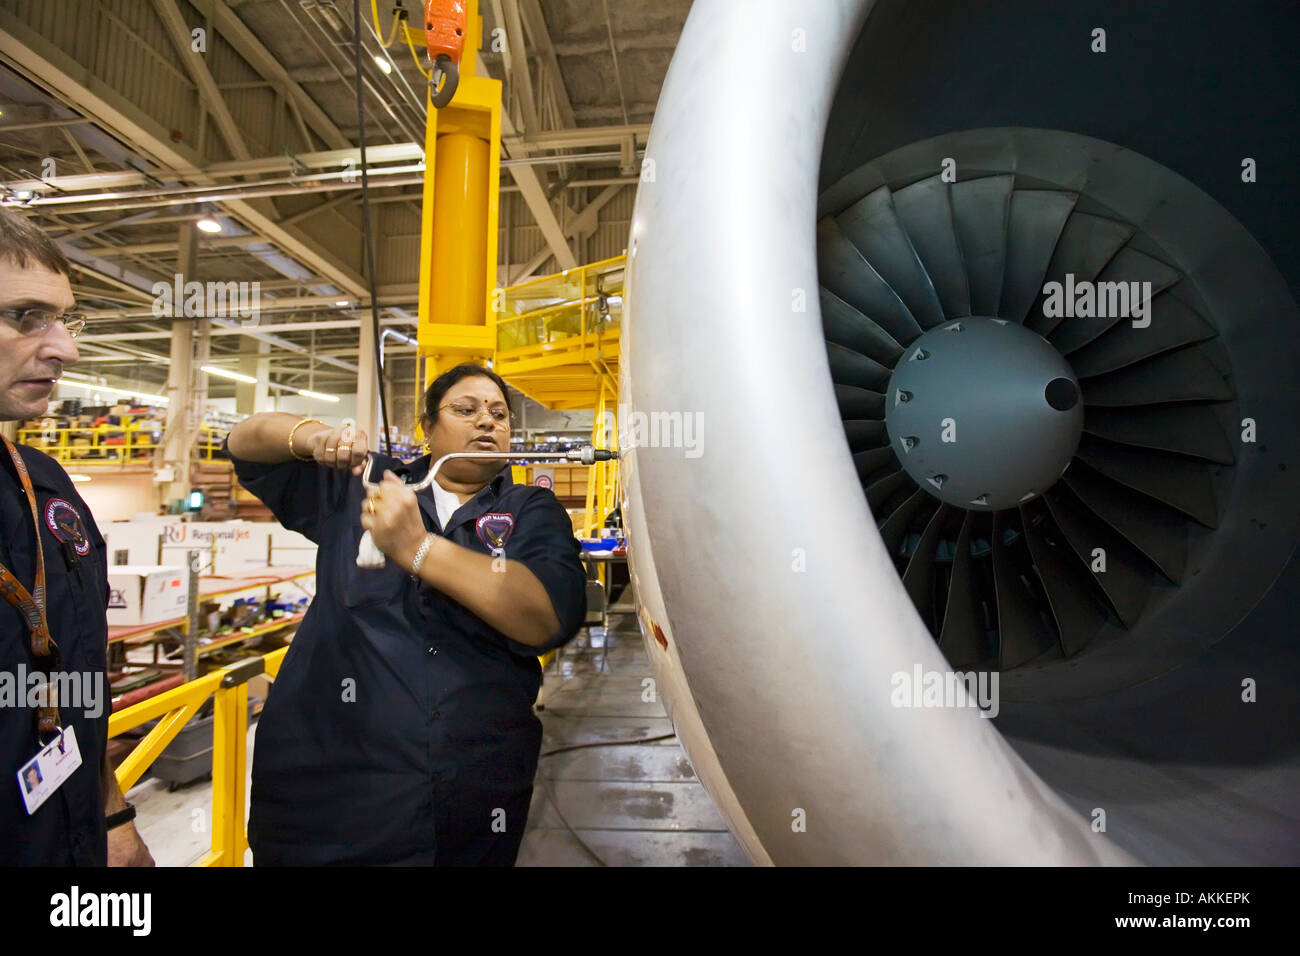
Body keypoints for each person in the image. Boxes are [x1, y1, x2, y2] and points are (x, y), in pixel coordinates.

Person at [226, 363, 586, 865]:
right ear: (427, 428)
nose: (487, 421)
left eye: (500, 414)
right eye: (466, 409)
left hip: (468, 800)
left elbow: (546, 617)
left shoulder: (532, 509)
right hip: (327, 800)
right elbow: (245, 440)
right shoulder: (364, 484)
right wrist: (314, 436)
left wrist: (418, 549)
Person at [0, 207, 152, 866]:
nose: (67, 347)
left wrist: (111, 811)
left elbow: (67, 677)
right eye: (27, 317)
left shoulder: (45, 487)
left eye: (65, 319)